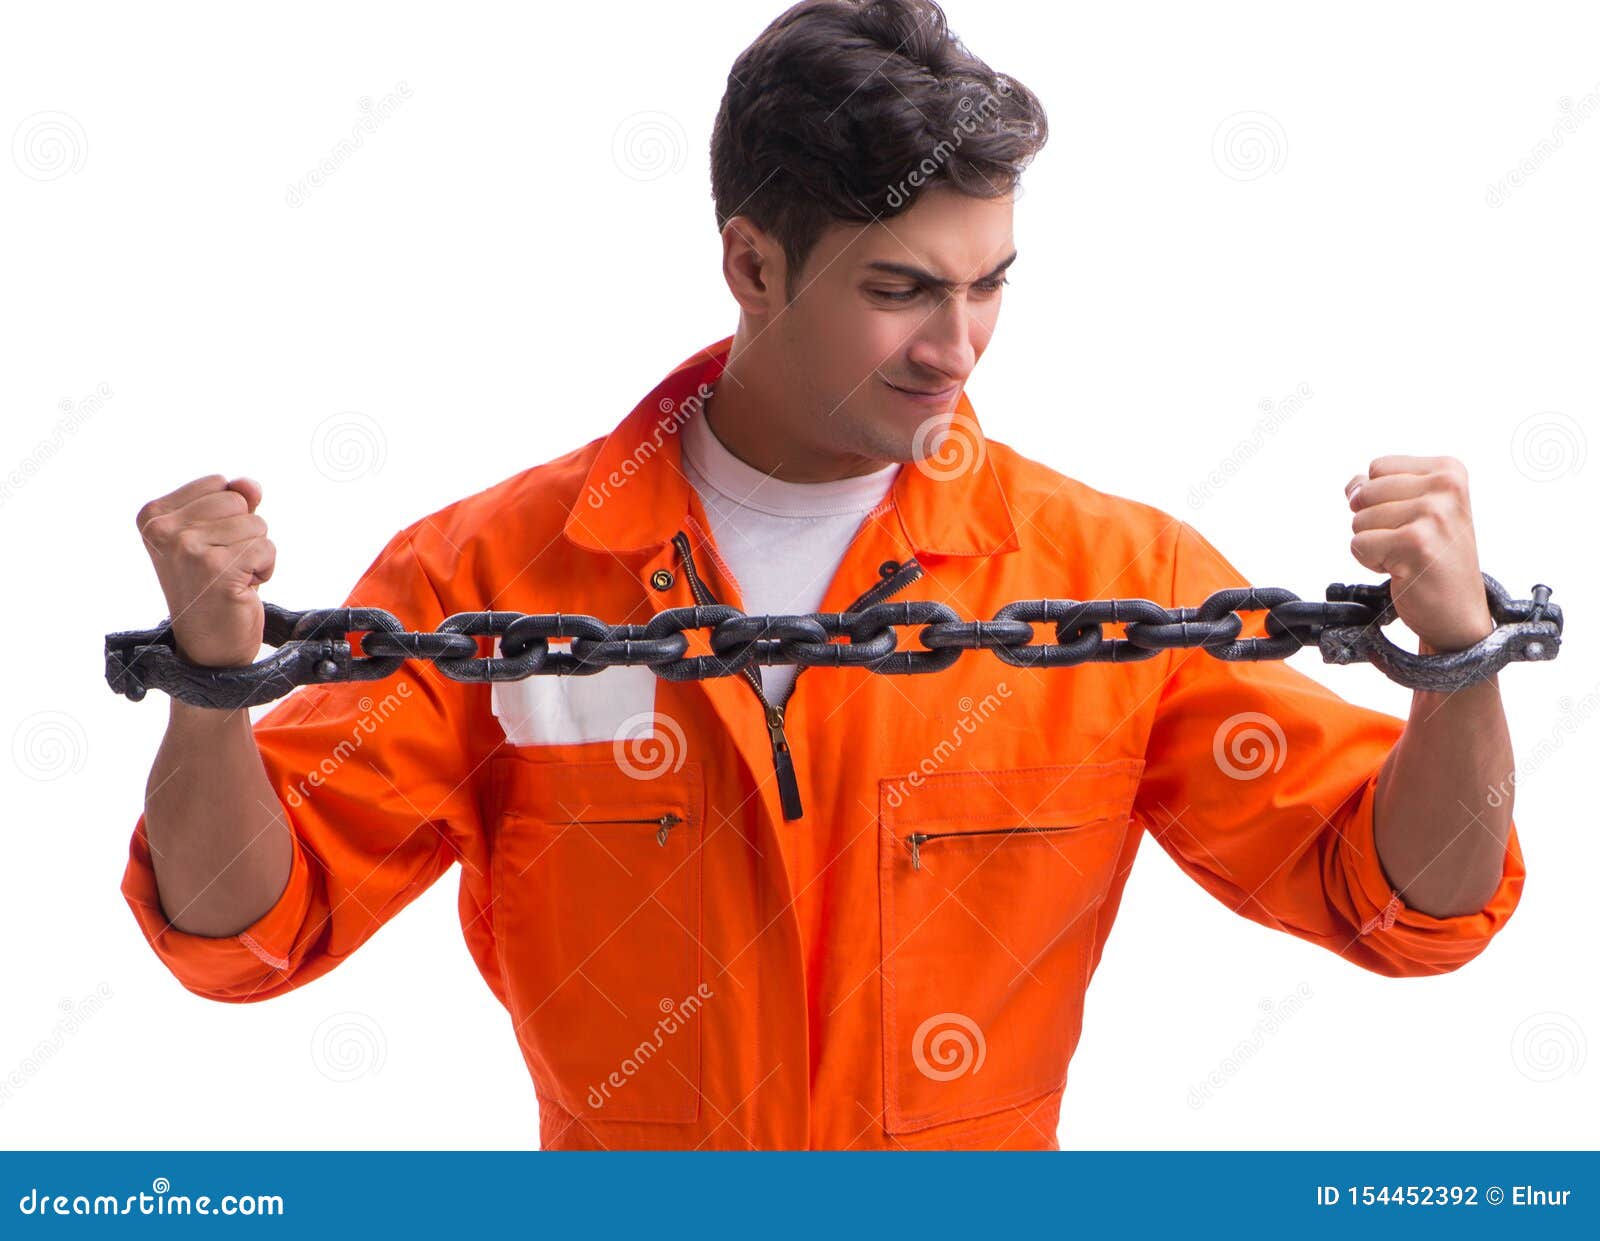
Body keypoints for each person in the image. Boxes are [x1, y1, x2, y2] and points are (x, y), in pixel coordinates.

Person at [122, 0, 1523, 1150]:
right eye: (902, 288)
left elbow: (1401, 905)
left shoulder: (1113, 579)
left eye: (991, 285)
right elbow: (246, 931)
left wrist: (1457, 671)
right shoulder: (487, 578)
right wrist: (209, 683)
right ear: (751, 261)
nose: (958, 345)